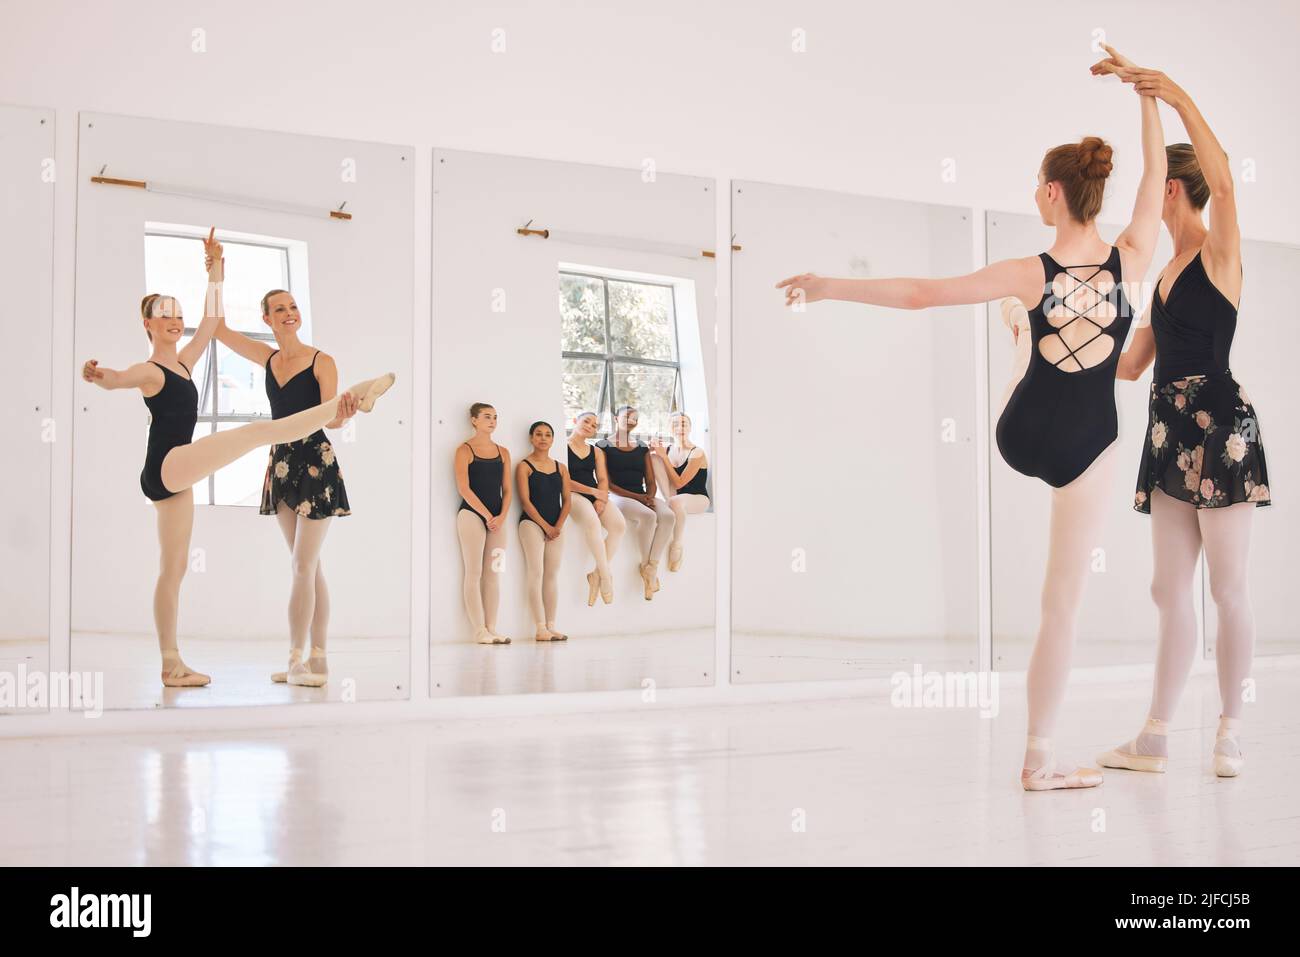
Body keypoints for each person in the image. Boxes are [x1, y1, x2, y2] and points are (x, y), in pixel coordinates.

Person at [777, 45, 1166, 790]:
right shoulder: (1133, 257)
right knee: (1062, 605)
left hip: (1021, 434)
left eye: (1036, 188)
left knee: (1025, 328)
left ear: (1052, 193)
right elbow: (1154, 179)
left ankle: (1024, 338)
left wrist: (828, 285)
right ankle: (1040, 758)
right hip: (1089, 444)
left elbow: (924, 293)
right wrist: (1147, 94)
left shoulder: (1028, 271)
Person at [82, 228, 394, 687]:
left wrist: (215, 273)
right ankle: (355, 396)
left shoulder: (184, 362)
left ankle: (171, 664)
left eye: (177, 313)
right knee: (256, 432)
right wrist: (99, 376)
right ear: (147, 324)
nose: (174, 319)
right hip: (168, 464)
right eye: (163, 314)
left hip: (177, 475)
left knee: (174, 568)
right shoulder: (149, 369)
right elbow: (118, 378)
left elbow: (211, 326)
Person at [1100, 63, 1270, 779]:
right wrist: (1053, 340)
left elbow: (1225, 179)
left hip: (1219, 424)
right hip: (1168, 429)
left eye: (1152, 185)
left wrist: (1169, 93)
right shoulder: (1163, 276)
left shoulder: (1218, 252)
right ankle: (1156, 735)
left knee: (1227, 586)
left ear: (1172, 188)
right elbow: (1132, 364)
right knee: (1169, 590)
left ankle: (1229, 730)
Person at [213, 282, 353, 688]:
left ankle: (296, 660)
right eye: (280, 309)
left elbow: (334, 419)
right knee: (308, 567)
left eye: (293, 306)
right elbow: (218, 329)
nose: (289, 313)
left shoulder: (321, 360)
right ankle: (318, 660)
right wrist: (216, 272)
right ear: (267, 319)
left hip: (315, 463)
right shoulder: (268, 357)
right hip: (281, 463)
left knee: (301, 566)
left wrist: (343, 413)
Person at [454, 403, 512, 643]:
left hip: (499, 519)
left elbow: (507, 490)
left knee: (494, 573)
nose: (492, 421)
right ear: (474, 420)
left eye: (495, 417)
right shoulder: (464, 450)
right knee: (474, 572)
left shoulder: (504, 452)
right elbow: (464, 489)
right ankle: (479, 630)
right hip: (471, 516)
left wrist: (500, 516)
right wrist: (487, 516)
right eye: (487, 417)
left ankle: (492, 627)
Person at [517, 421, 571, 641]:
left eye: (548, 434)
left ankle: (551, 625)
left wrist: (557, 526)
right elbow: (525, 501)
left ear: (552, 439)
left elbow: (567, 500)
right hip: (531, 523)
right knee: (536, 572)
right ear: (531, 438)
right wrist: (545, 526)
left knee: (551, 575)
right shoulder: (524, 466)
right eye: (538, 434)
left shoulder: (561, 468)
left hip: (556, 526)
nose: (543, 438)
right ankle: (540, 628)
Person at [648, 412, 709, 572]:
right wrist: (651, 452)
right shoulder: (668, 449)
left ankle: (677, 544)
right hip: (674, 496)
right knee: (653, 458)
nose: (680, 427)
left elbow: (679, 482)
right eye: (675, 424)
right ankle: (670, 502)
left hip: (698, 498)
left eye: (684, 424)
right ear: (670, 429)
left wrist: (664, 457)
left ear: (690, 428)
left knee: (675, 501)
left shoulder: (697, 452)